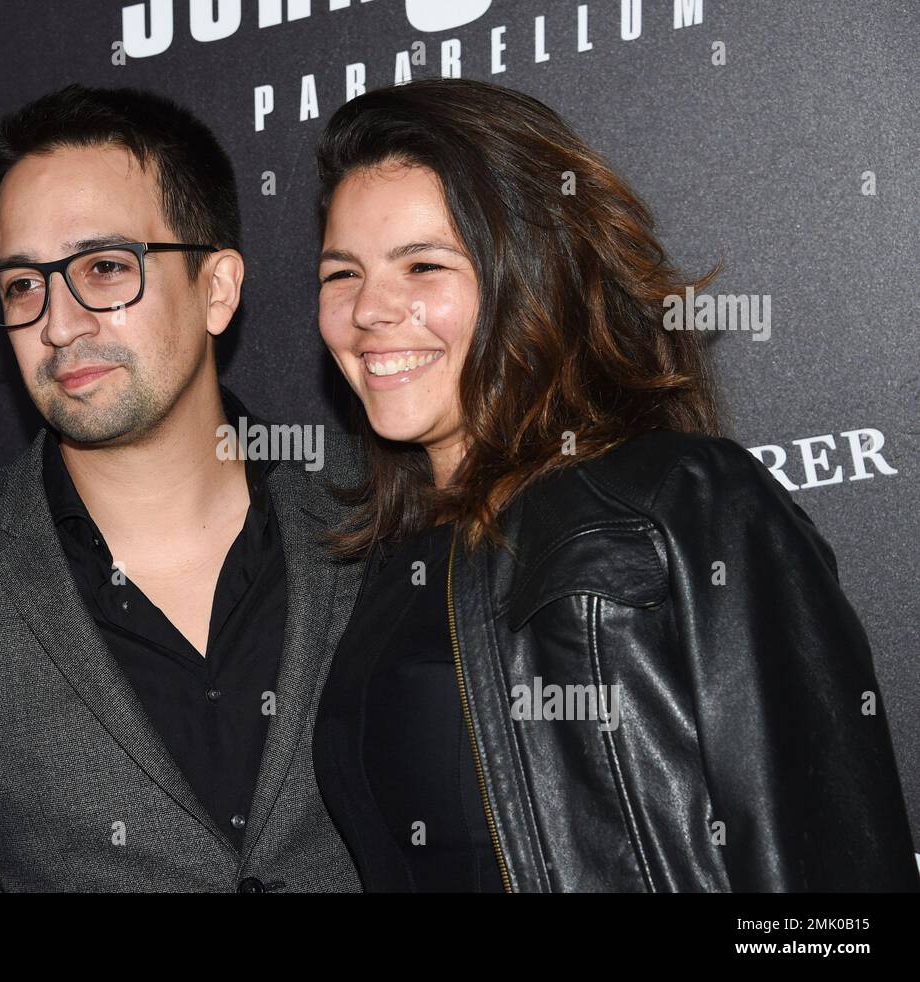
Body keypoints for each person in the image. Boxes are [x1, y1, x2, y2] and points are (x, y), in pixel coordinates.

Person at [309, 77, 919, 892]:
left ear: (531, 275)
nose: (370, 310)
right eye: (340, 274)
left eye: (422, 264)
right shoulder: (387, 571)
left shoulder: (684, 505)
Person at [0, 84, 363, 892]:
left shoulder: (382, 509)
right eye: (23, 286)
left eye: (105, 268)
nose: (58, 323)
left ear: (217, 288)